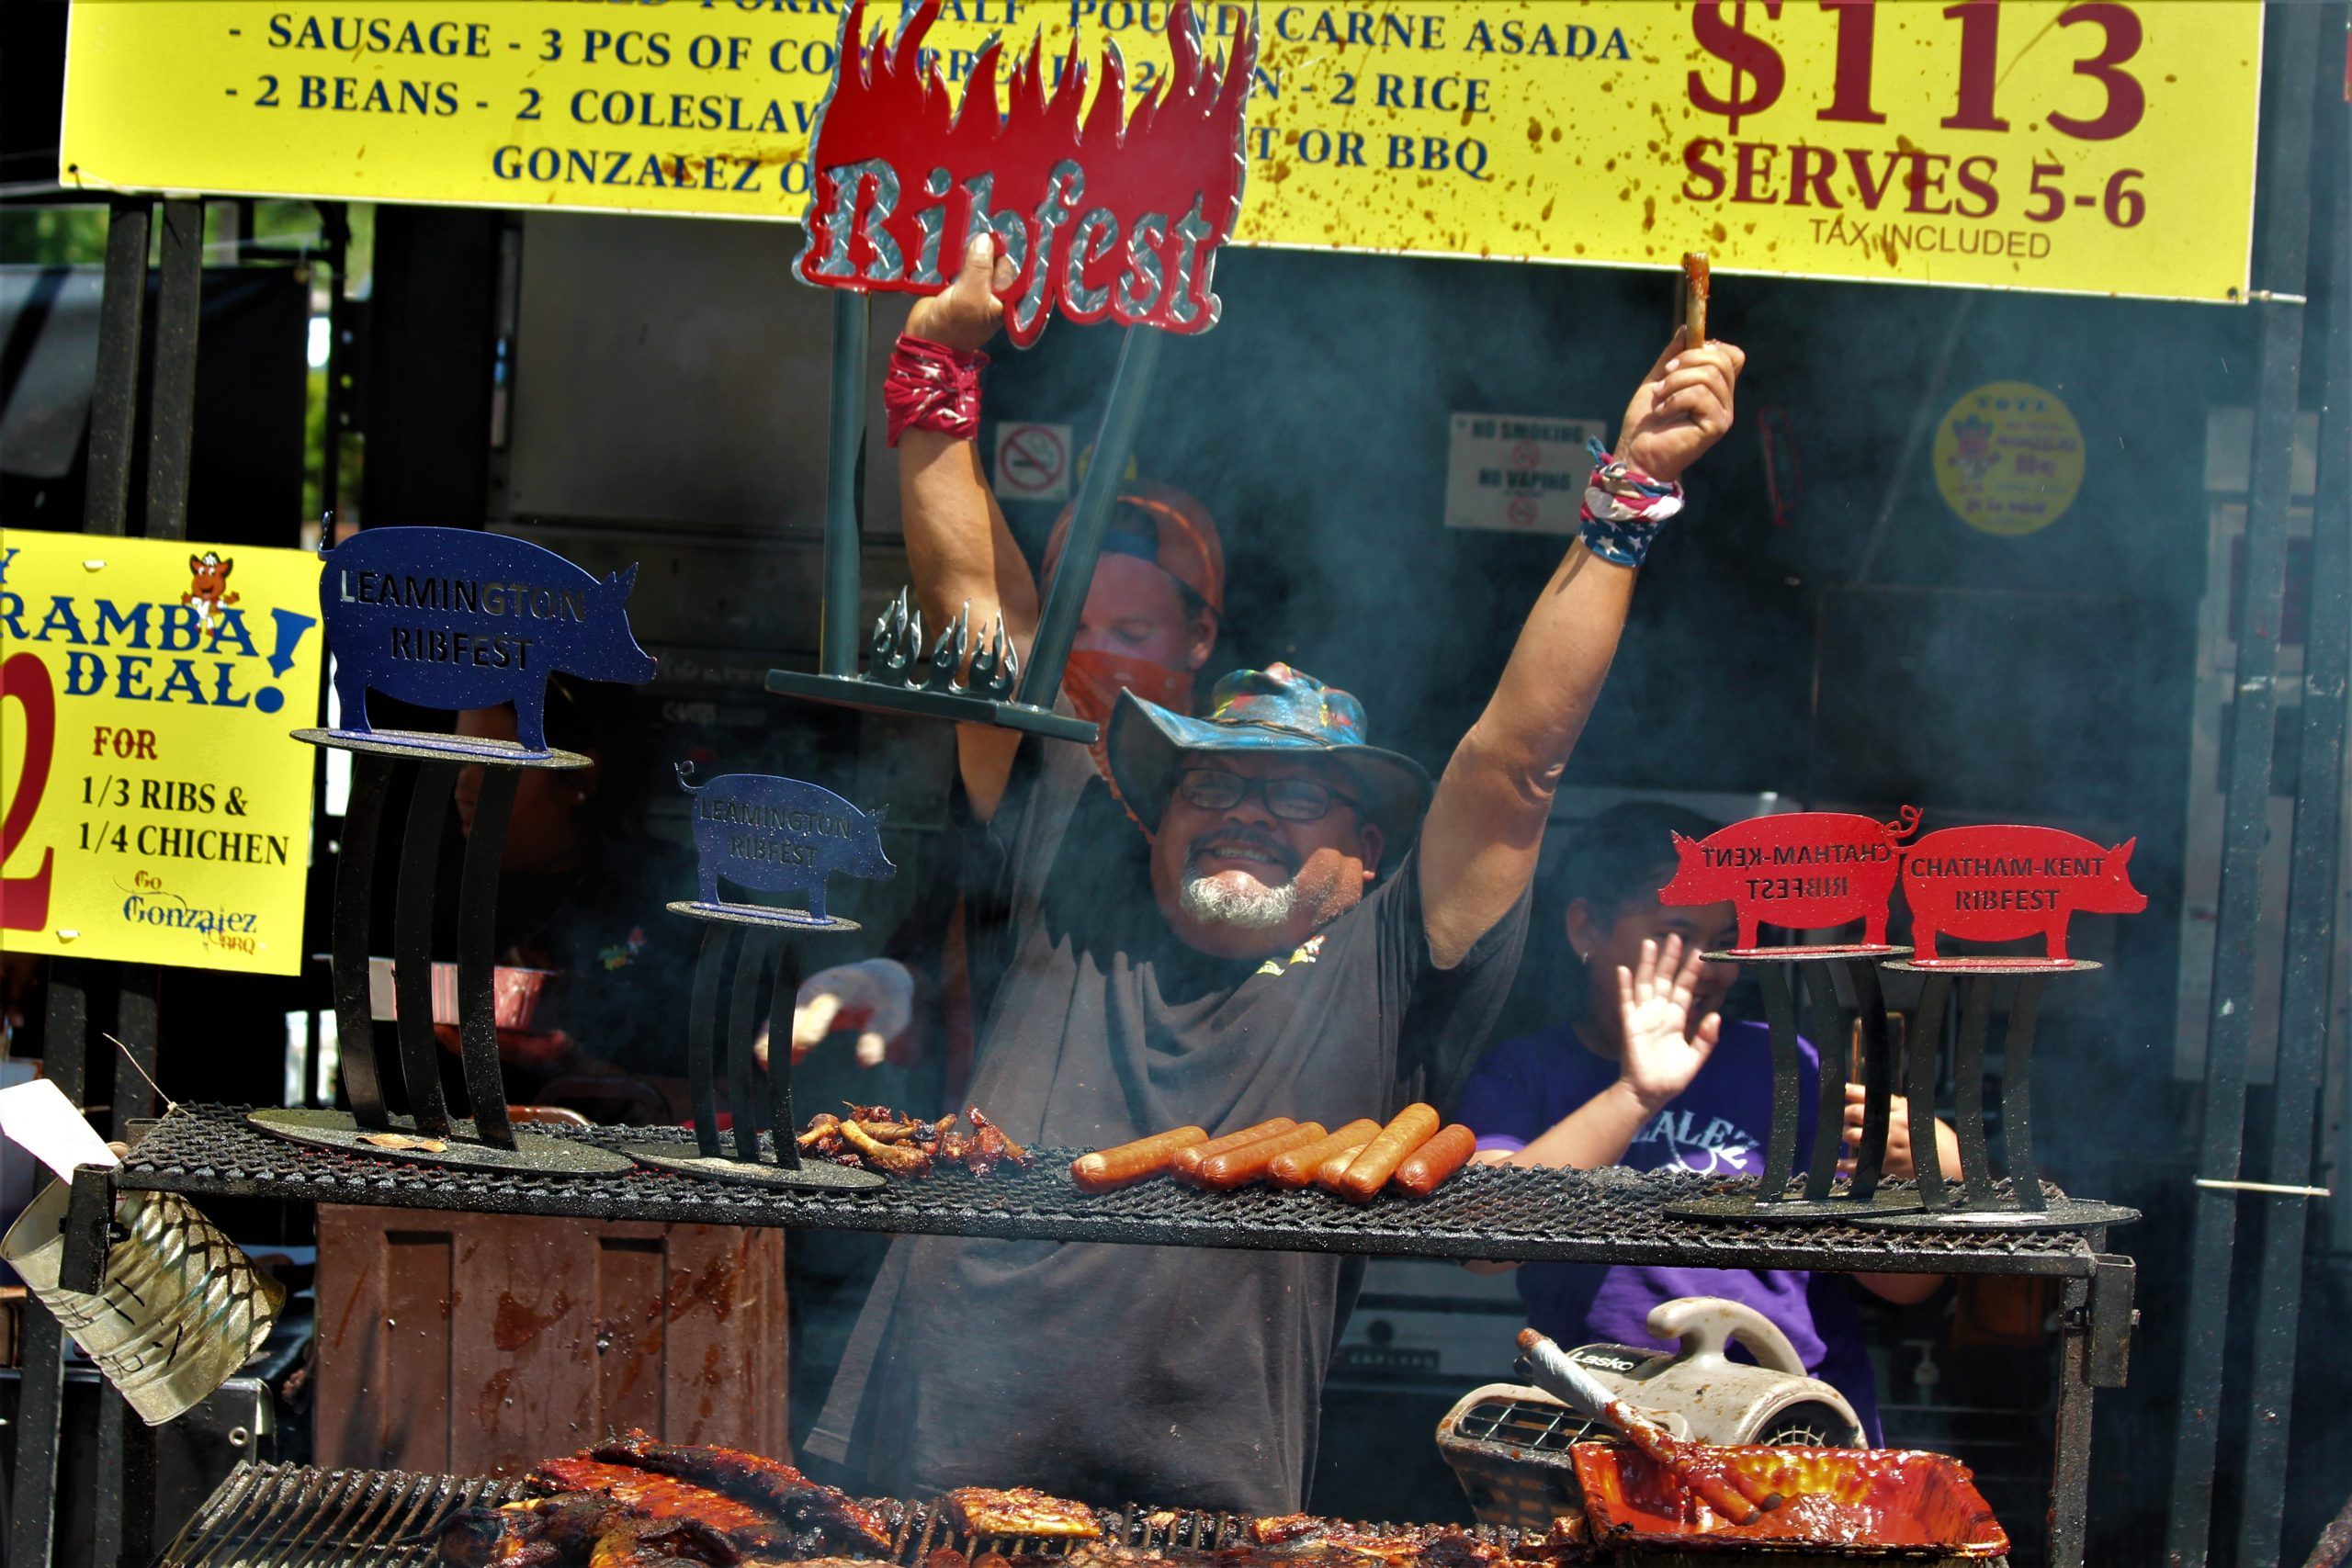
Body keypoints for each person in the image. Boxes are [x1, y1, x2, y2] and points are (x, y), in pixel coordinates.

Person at [800, 237, 1747, 1511]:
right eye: (1214, 780)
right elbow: (985, 618)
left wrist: (1630, 494)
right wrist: (934, 370)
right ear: (1156, 809)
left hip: (1204, 1508)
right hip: (918, 1480)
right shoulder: (1083, 864)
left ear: (1366, 860)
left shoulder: (1388, 963)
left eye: (1298, 794)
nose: (1245, 809)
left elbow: (1519, 755)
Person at [1455, 801, 1962, 1438]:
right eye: (1674, 933)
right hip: (1607, 1429)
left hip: (1792, 1432)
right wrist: (1636, 1093)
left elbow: (1904, 1286)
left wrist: (1936, 1163)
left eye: (1723, 943)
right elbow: (1480, 1246)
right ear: (1586, 927)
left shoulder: (1785, 1067)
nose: (1705, 967)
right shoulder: (1525, 1072)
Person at [780, 479, 1227, 1072]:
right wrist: (894, 977)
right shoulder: (1017, 762)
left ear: (1200, 637)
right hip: (1007, 1115)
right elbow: (959, 917)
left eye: (1132, 634)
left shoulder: (1238, 784)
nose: (1096, 655)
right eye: (1075, 630)